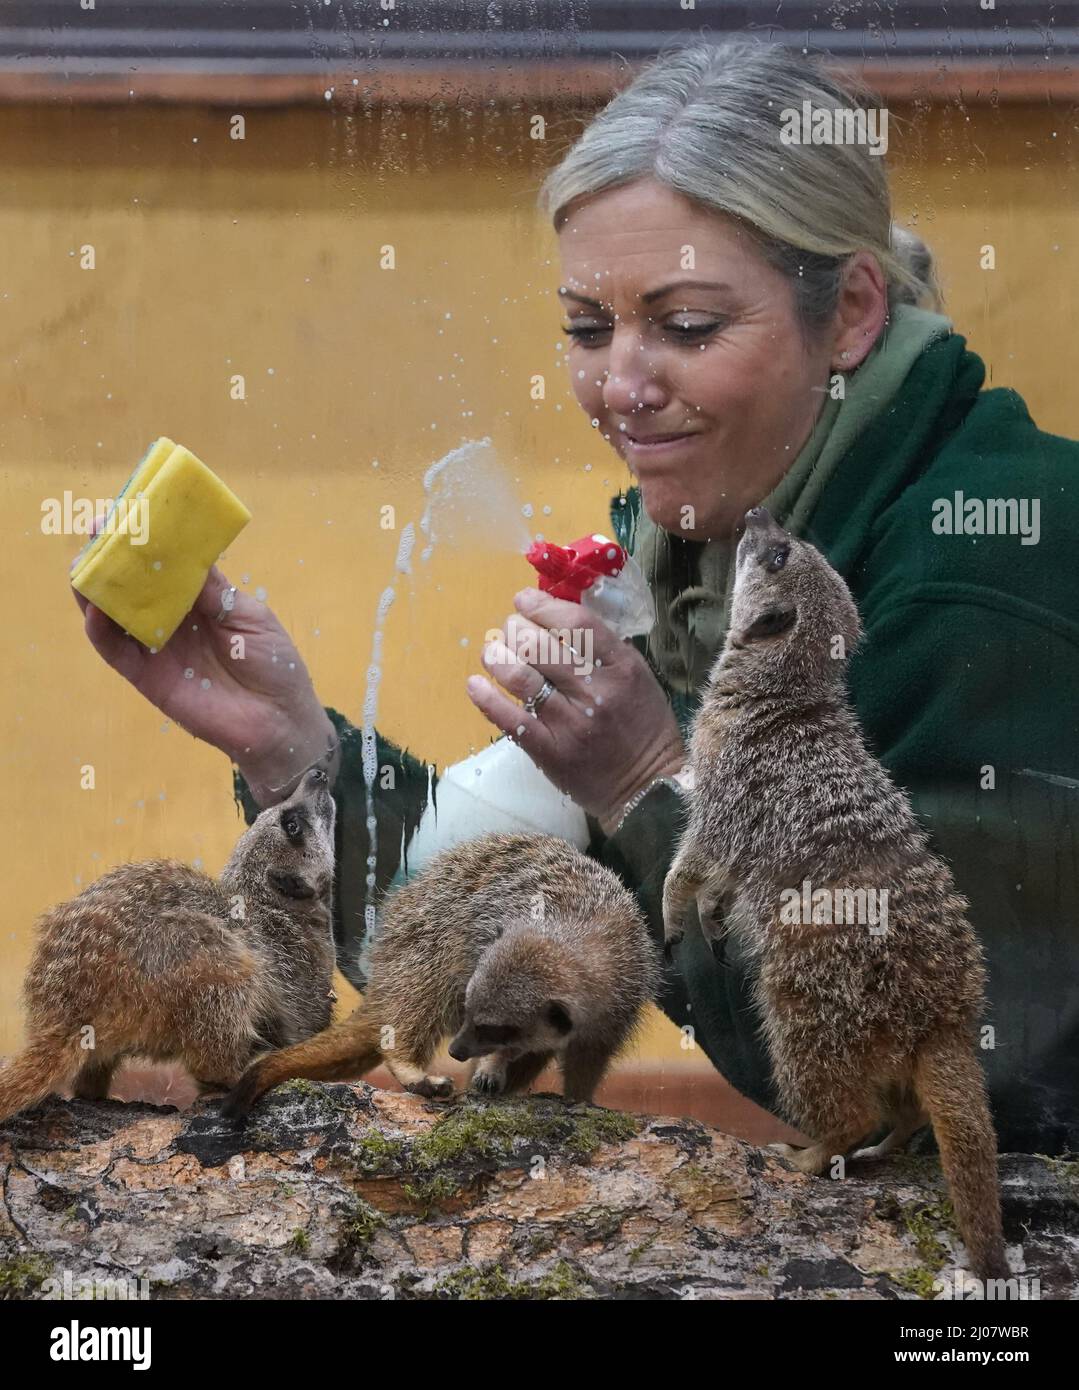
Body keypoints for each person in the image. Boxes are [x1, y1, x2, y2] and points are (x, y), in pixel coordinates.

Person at [76, 39, 1079, 1153]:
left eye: (688, 327)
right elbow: (476, 961)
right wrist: (291, 750)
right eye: (588, 329)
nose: (622, 389)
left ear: (847, 313)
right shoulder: (691, 554)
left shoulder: (986, 571)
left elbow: (964, 1087)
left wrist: (649, 781)